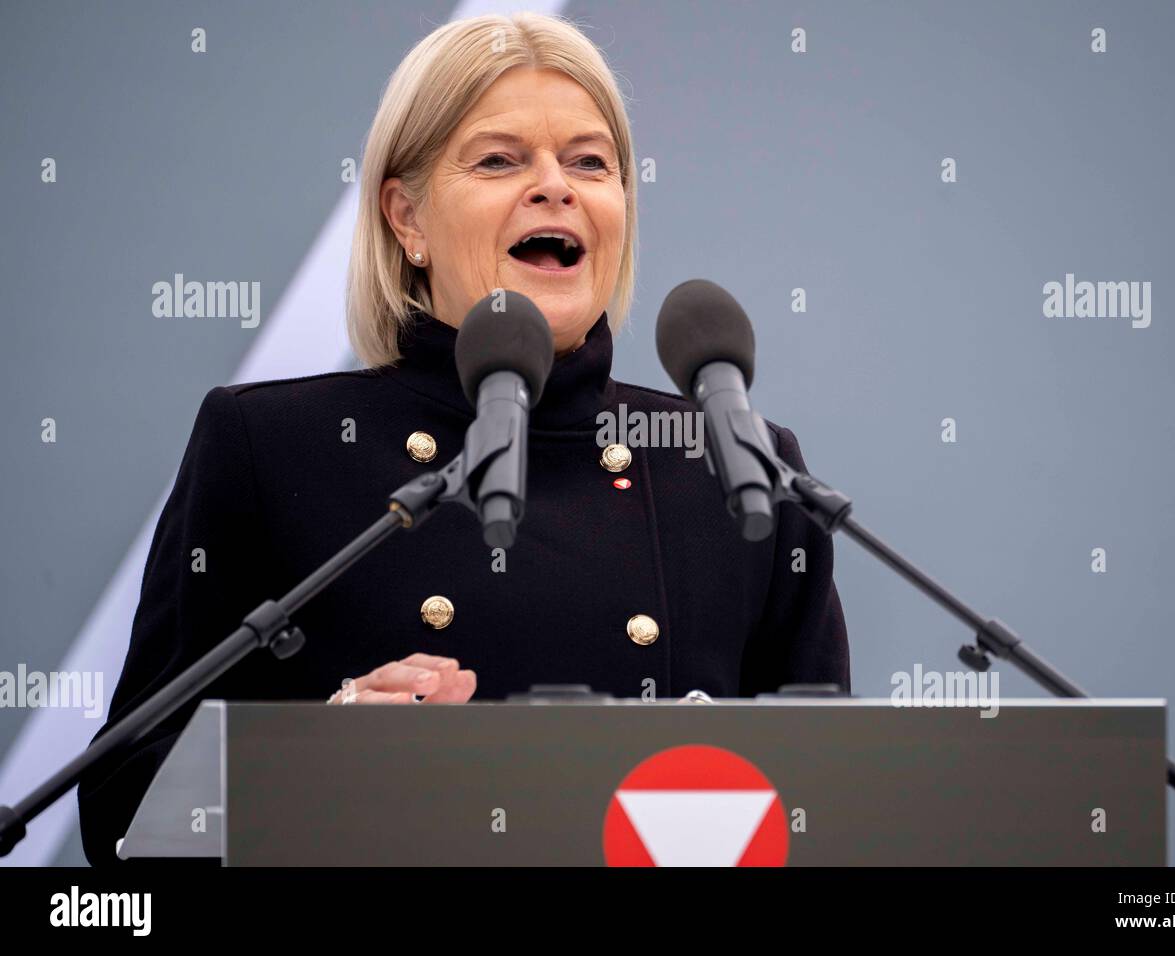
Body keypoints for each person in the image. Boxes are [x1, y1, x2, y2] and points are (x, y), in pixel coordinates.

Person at [77, 11, 849, 867]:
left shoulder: (739, 467)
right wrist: (315, 764)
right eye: (498, 159)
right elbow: (123, 811)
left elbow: (834, 817)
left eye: (590, 162)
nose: (557, 186)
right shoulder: (268, 446)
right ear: (406, 219)